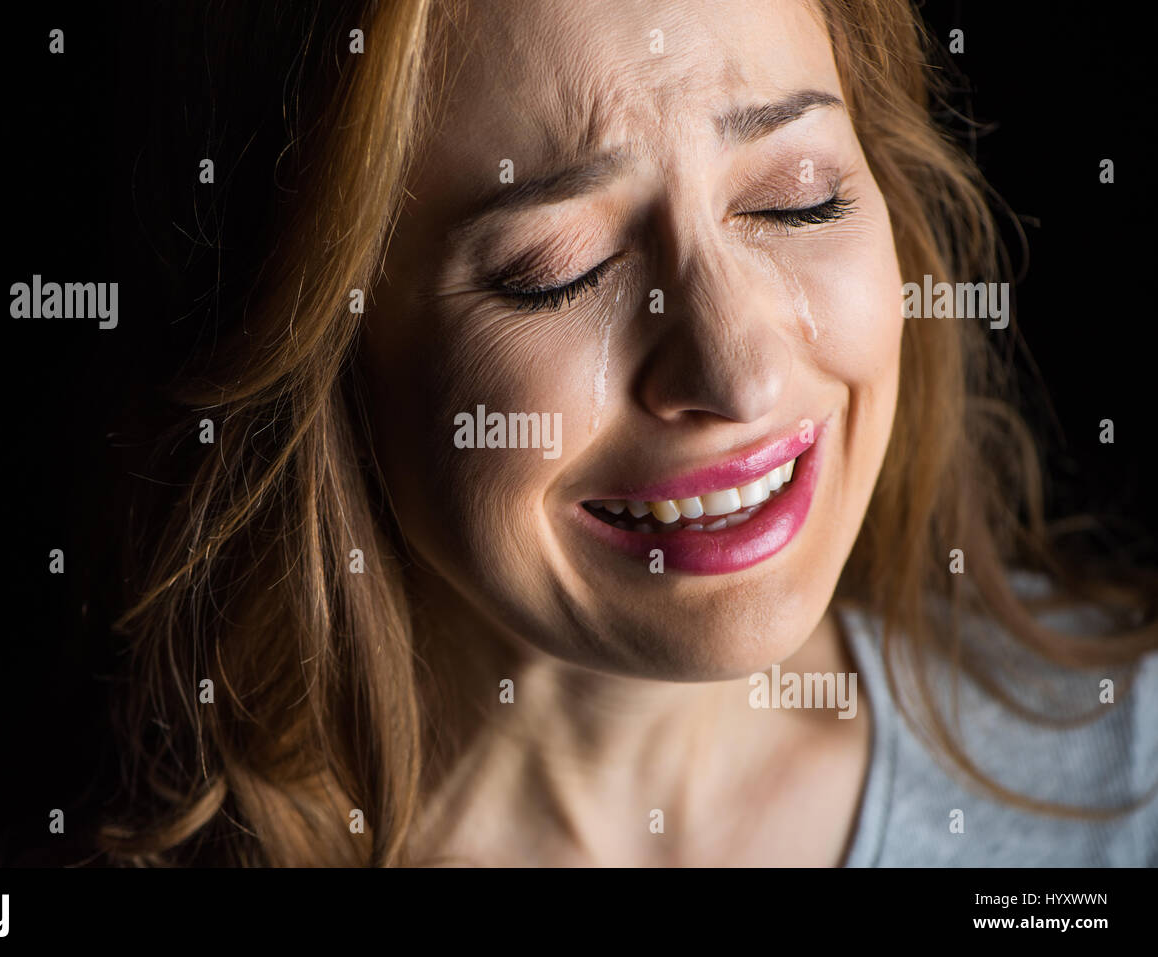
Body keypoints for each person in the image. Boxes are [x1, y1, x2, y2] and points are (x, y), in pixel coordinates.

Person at [98, 0, 1158, 867]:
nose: (736, 377)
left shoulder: (1125, 772)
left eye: (798, 201)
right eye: (559, 271)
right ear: (321, 345)